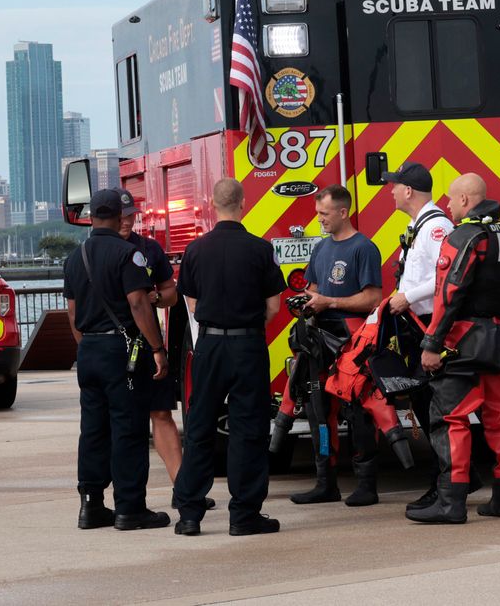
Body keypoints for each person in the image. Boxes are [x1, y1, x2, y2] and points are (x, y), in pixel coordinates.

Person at [406, 173, 500, 525]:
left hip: (464, 341)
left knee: (449, 418)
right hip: (499, 336)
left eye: (450, 200)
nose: (446, 206)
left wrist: (432, 344)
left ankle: (450, 502)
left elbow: (448, 294)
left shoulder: (465, 236)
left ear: (464, 200)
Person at [172, 179, 286, 537]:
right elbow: (273, 306)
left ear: (212, 204)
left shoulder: (195, 250)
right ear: (243, 203)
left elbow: (191, 304)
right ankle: (244, 514)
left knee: (200, 427)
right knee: (248, 429)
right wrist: (247, 327)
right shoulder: (260, 249)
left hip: (208, 346)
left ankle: (189, 514)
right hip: (248, 345)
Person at [64, 189, 171, 531]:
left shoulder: (75, 257)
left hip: (89, 351)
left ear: (92, 216)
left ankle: (91, 505)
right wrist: (157, 348)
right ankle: (129, 508)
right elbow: (138, 304)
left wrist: (85, 345)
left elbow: (72, 312)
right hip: (121, 352)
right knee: (128, 427)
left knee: (93, 430)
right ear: (117, 216)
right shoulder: (128, 255)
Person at [112, 188, 216, 513]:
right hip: (115, 347)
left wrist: (155, 299)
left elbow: (171, 293)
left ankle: (184, 490)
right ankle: (127, 501)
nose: (128, 221)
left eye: (131, 215)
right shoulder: (100, 251)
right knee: (124, 423)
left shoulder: (149, 249)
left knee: (162, 415)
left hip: (147, 344)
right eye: (121, 216)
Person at [289, 184, 383, 507]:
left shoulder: (364, 249)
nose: (319, 220)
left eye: (324, 214)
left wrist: (328, 302)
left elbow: (373, 299)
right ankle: (325, 483)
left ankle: (367, 486)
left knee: (357, 413)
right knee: (319, 413)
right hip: (320, 342)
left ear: (343, 212)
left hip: (353, 344)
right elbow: (314, 291)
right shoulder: (320, 249)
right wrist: (306, 304)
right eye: (317, 214)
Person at [380, 162, 455, 512]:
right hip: (415, 325)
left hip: (427, 326)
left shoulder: (436, 226)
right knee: (425, 410)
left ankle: (446, 484)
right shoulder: (419, 225)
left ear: (408, 191)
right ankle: (453, 479)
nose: (391, 191)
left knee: (434, 412)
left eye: (394, 186)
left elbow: (446, 278)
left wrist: (406, 297)